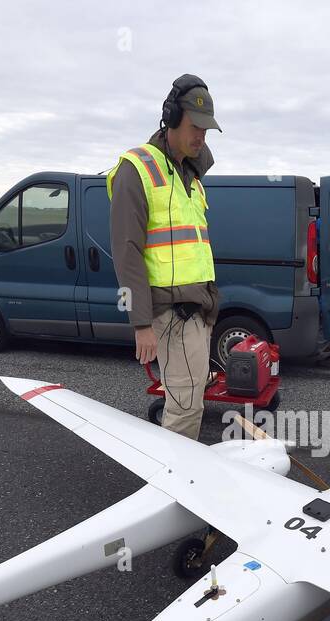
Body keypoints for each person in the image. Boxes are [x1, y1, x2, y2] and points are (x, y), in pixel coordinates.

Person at [108, 74, 221, 439]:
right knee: (186, 406)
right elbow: (126, 252)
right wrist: (140, 322)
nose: (201, 136)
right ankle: (173, 481)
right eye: (195, 127)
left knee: (189, 400)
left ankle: (176, 474)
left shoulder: (190, 177)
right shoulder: (137, 169)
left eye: (207, 130)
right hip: (169, 312)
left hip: (198, 309)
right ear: (171, 119)